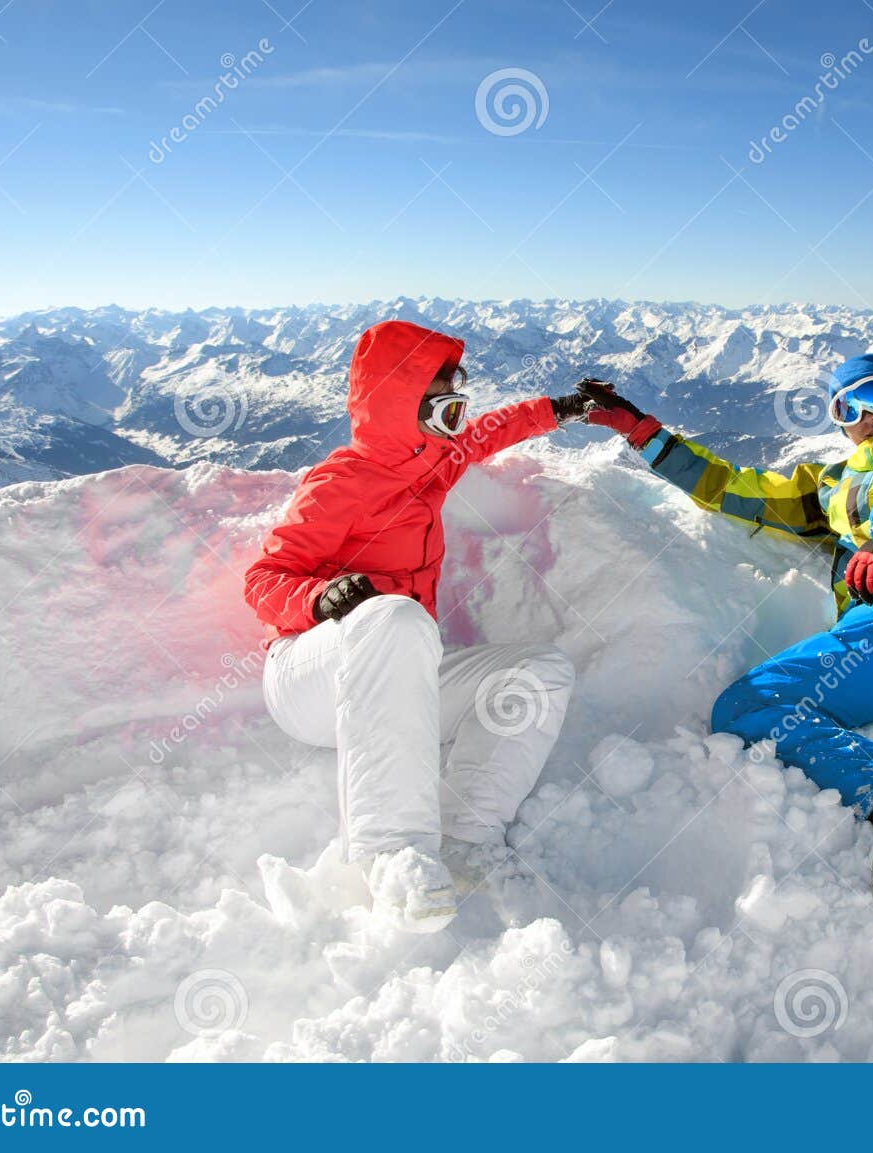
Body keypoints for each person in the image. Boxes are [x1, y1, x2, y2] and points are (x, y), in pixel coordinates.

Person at [580, 354, 873, 900]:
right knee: (744, 707)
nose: (866, 415)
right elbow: (733, 488)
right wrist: (644, 434)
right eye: (847, 407)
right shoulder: (833, 487)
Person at [244, 320, 609, 933]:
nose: (454, 420)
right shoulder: (341, 483)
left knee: (538, 671)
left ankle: (467, 834)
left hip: (396, 681)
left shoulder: (430, 463)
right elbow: (264, 578)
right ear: (397, 403)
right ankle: (393, 857)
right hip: (311, 681)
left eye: (455, 404)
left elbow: (489, 434)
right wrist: (321, 598)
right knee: (391, 614)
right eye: (442, 405)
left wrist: (565, 409)